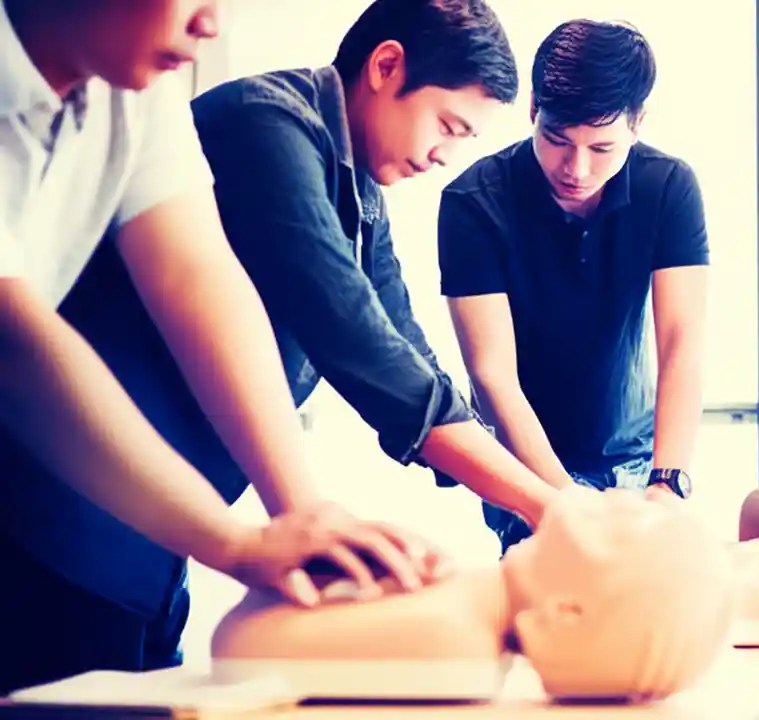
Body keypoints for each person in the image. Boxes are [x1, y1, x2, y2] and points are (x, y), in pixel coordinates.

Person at [0, 0, 436, 695]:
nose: (212, 24)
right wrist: (235, 543)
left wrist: (302, 515)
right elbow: (14, 349)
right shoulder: (266, 120)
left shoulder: (139, 94)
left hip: (141, 544)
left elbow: (197, 274)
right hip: (51, 527)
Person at [438, 19, 711, 554]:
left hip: (634, 452)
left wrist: (667, 482)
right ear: (533, 109)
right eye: (557, 141)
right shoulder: (473, 202)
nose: (577, 169)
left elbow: (682, 340)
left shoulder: (668, 187)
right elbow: (491, 373)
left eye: (602, 148)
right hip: (522, 463)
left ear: (637, 123)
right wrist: (563, 501)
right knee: (557, 589)